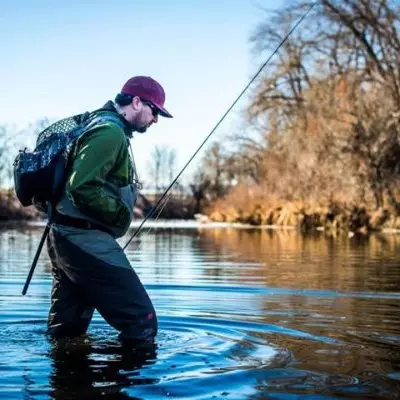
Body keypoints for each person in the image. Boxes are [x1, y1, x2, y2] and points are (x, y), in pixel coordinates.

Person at [46, 76, 172, 343]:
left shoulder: (97, 124)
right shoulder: (109, 132)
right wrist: (120, 214)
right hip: (83, 239)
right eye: (155, 111)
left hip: (63, 235)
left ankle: (69, 384)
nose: (155, 119)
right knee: (141, 322)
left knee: (67, 329)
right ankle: (129, 384)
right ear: (137, 102)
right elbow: (81, 186)